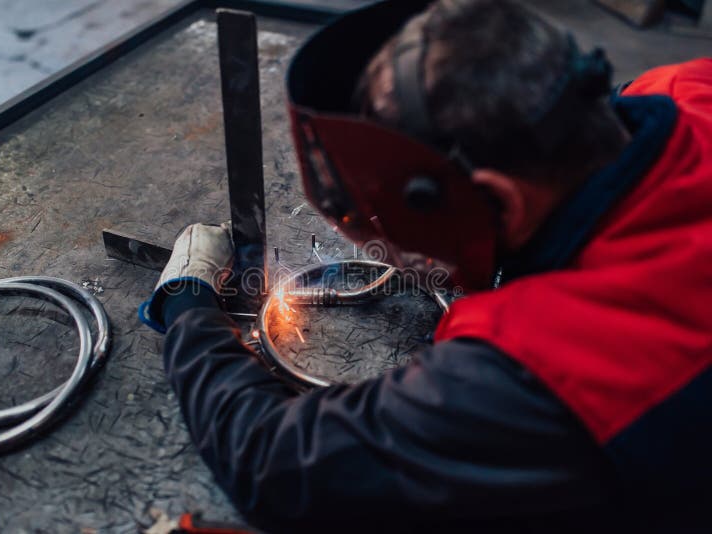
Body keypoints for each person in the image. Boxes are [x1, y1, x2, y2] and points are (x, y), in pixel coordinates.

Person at [139, 0, 712, 531]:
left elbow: (276, 463)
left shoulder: (539, 371)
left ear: (502, 201)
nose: (386, 246)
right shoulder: (686, 86)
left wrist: (190, 304)